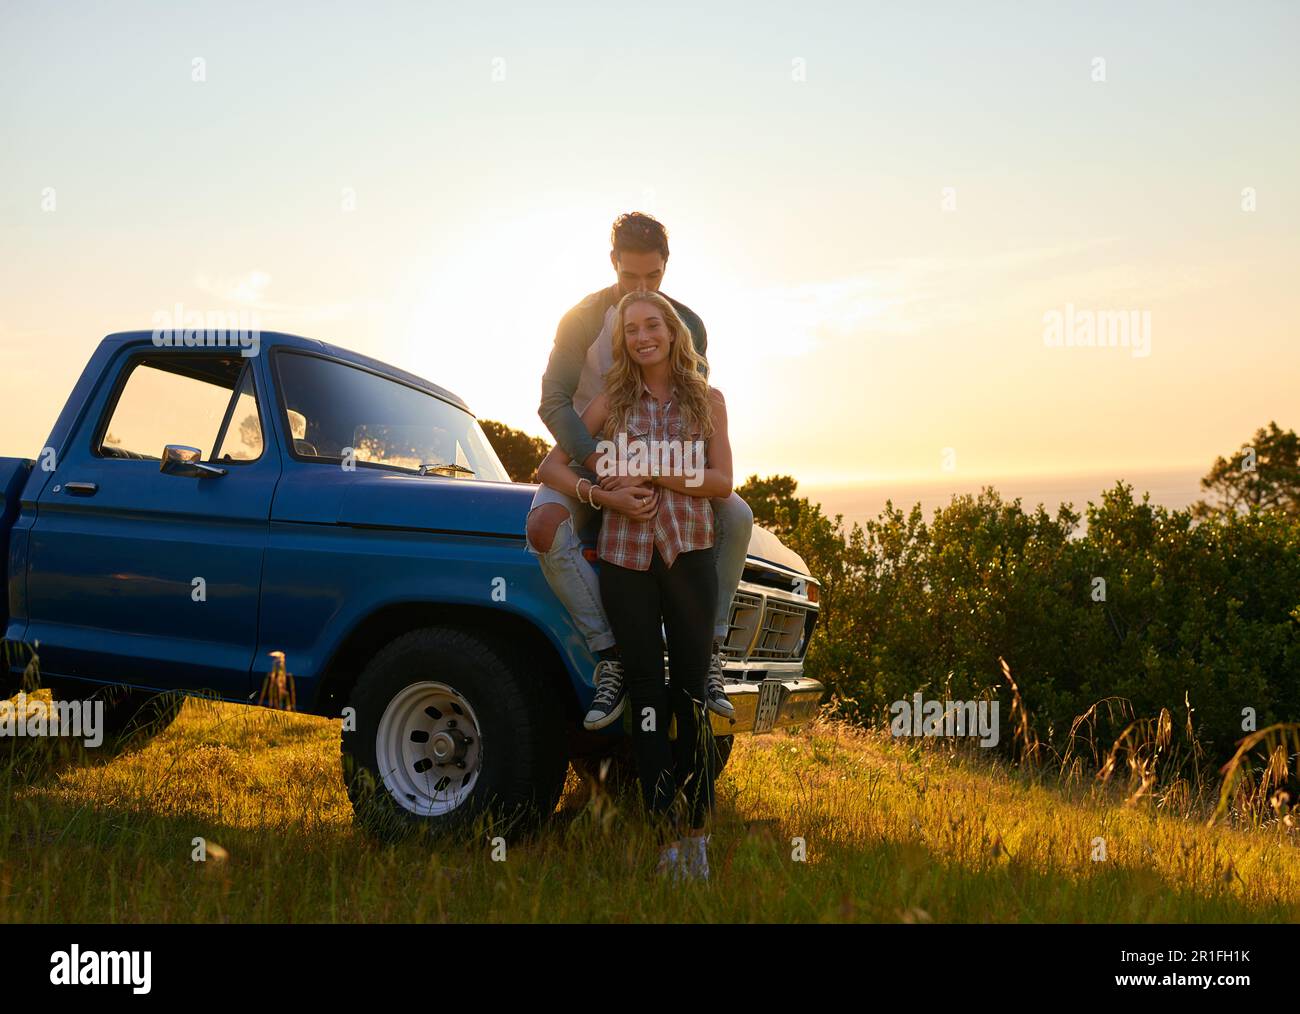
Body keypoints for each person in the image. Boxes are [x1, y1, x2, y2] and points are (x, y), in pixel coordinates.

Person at [526, 212, 753, 731]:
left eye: (653, 277)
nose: (643, 287)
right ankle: (613, 656)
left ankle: (708, 652)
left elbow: (696, 407)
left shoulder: (687, 323)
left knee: (738, 517)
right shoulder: (580, 319)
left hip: (667, 466)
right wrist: (605, 469)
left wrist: (664, 472)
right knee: (543, 528)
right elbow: (553, 402)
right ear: (613, 265)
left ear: (665, 267)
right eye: (631, 277)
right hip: (592, 457)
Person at [537, 289, 730, 878]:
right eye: (630, 329)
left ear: (673, 332)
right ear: (622, 341)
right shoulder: (610, 401)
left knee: (692, 692)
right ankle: (663, 836)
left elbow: (722, 480)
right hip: (626, 559)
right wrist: (605, 493)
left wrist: (653, 469)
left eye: (653, 325)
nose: (642, 335)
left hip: (690, 555)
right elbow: (549, 468)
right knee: (646, 695)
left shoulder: (709, 401)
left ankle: (696, 832)